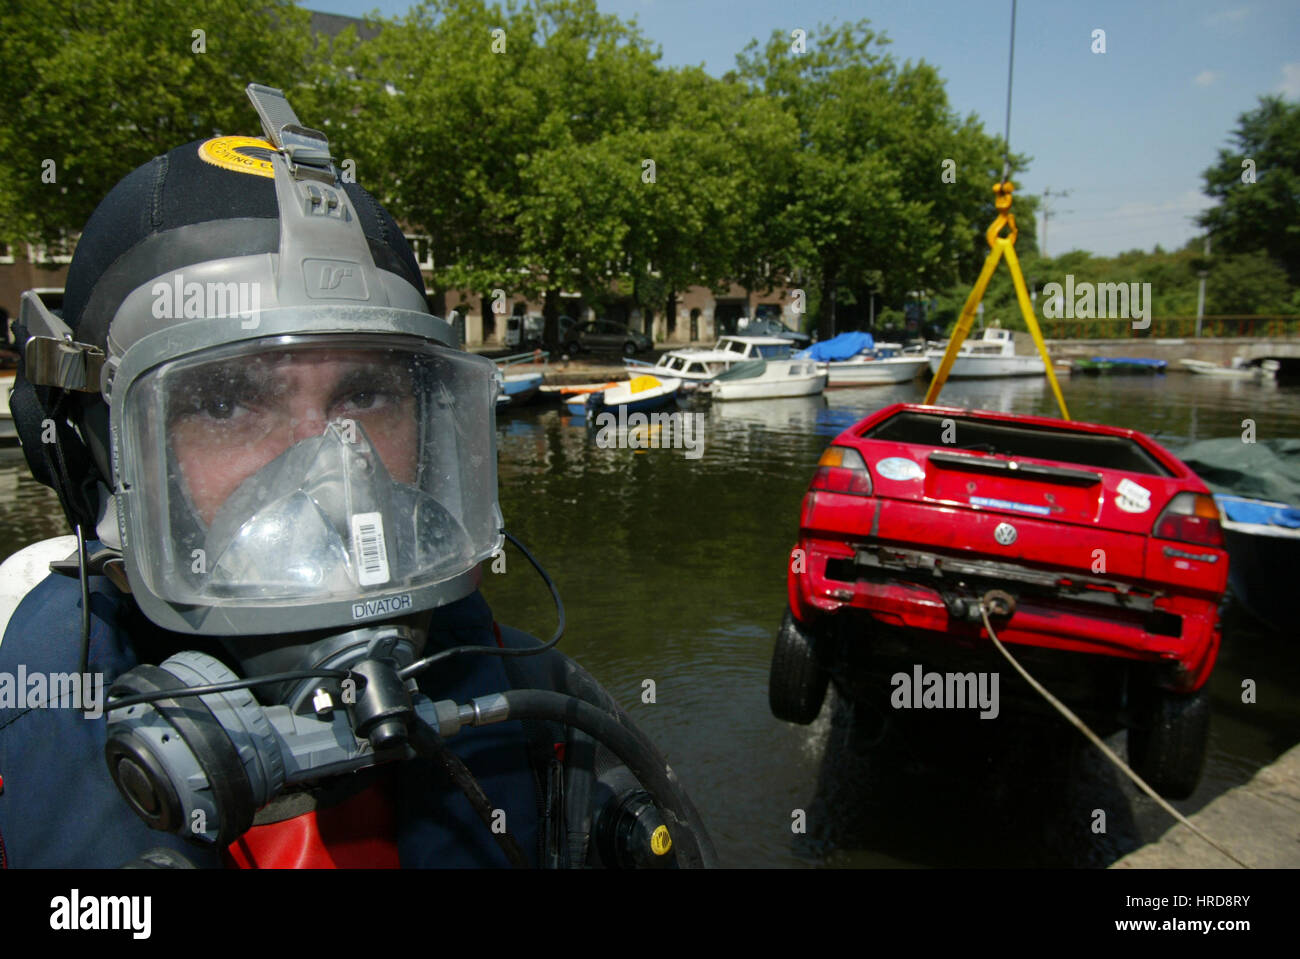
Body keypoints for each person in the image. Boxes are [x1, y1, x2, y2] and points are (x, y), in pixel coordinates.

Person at [0, 84, 713, 869]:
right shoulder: (39, 724)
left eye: (368, 394)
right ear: (90, 452)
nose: (335, 473)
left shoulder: (532, 711)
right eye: (231, 401)